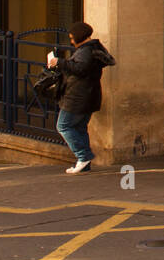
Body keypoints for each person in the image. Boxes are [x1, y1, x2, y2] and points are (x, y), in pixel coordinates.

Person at [47, 21, 115, 174]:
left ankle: (83, 156)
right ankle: (84, 162)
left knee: (63, 126)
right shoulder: (93, 48)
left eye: (72, 37)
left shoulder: (85, 51)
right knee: (79, 127)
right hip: (87, 95)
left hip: (78, 97)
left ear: (79, 36)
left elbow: (80, 69)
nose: (71, 41)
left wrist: (59, 62)